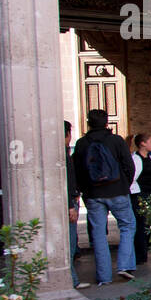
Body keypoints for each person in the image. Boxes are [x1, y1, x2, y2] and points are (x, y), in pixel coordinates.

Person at [73, 108, 137, 285]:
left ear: (88, 122)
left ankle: (104, 277)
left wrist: (84, 191)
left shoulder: (81, 144)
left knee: (98, 234)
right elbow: (128, 165)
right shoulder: (116, 141)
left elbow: (78, 170)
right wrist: (125, 184)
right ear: (107, 122)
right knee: (127, 226)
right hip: (118, 191)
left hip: (93, 194)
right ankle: (124, 265)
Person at [129, 132, 151, 266]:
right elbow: (133, 178)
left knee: (149, 224)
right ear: (143, 144)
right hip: (139, 194)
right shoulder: (136, 159)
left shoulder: (150, 157)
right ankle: (139, 254)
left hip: (150, 193)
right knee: (140, 224)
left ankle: (145, 250)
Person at [64, 121, 90, 290]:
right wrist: (70, 205)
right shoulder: (61, 154)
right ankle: (72, 280)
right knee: (70, 242)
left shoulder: (71, 151)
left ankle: (72, 279)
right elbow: (66, 180)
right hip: (69, 202)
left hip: (73, 198)